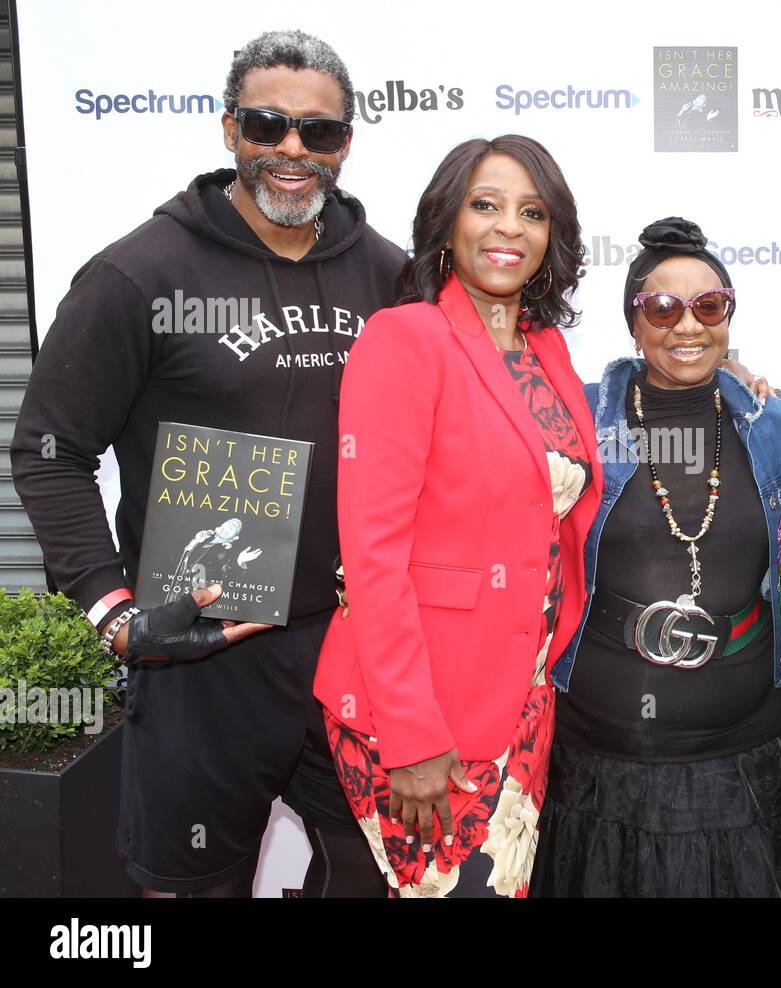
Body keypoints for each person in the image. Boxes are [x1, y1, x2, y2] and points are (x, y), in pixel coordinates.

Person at [12, 30, 406, 897]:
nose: (293, 150)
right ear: (230, 129)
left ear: (347, 144)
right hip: (203, 654)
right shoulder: (138, 274)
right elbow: (51, 452)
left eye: (319, 131)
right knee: (194, 885)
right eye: (268, 125)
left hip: (352, 646)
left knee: (375, 875)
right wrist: (114, 613)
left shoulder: (388, 277)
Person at [313, 135, 603, 897]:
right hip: (422, 717)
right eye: (486, 206)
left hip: (523, 708)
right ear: (446, 224)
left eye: (531, 212)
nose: (509, 227)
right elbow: (371, 555)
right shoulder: (406, 339)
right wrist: (412, 739)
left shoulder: (547, 352)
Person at [529, 217, 781, 897]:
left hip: (743, 768)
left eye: (709, 307)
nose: (688, 325)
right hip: (598, 763)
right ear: (633, 322)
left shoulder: (777, 429)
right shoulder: (576, 422)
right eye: (663, 308)